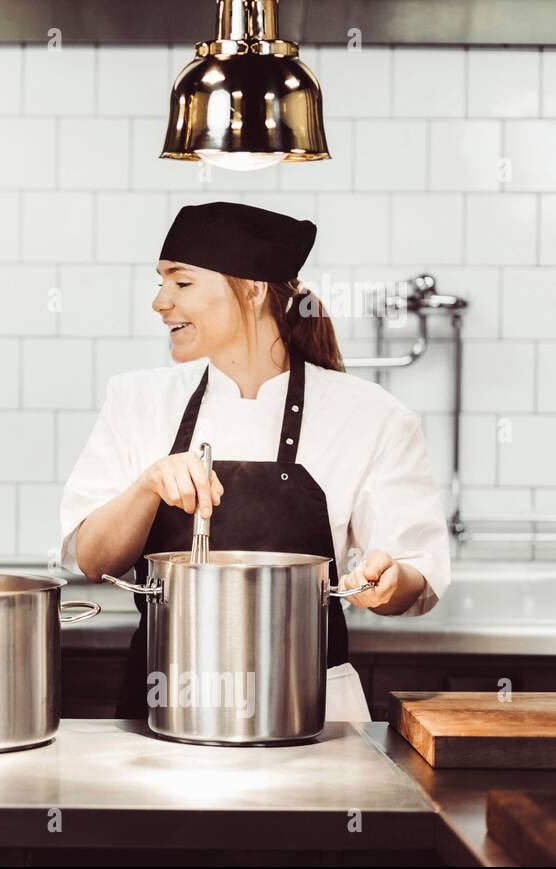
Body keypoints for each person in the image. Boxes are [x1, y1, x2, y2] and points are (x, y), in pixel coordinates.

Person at [60, 201, 450, 722]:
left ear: (252, 288)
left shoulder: (371, 415)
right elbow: (92, 560)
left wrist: (389, 580)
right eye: (160, 283)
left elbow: (415, 573)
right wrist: (148, 485)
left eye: (181, 283)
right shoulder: (137, 401)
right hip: (165, 701)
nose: (159, 302)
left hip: (313, 711)